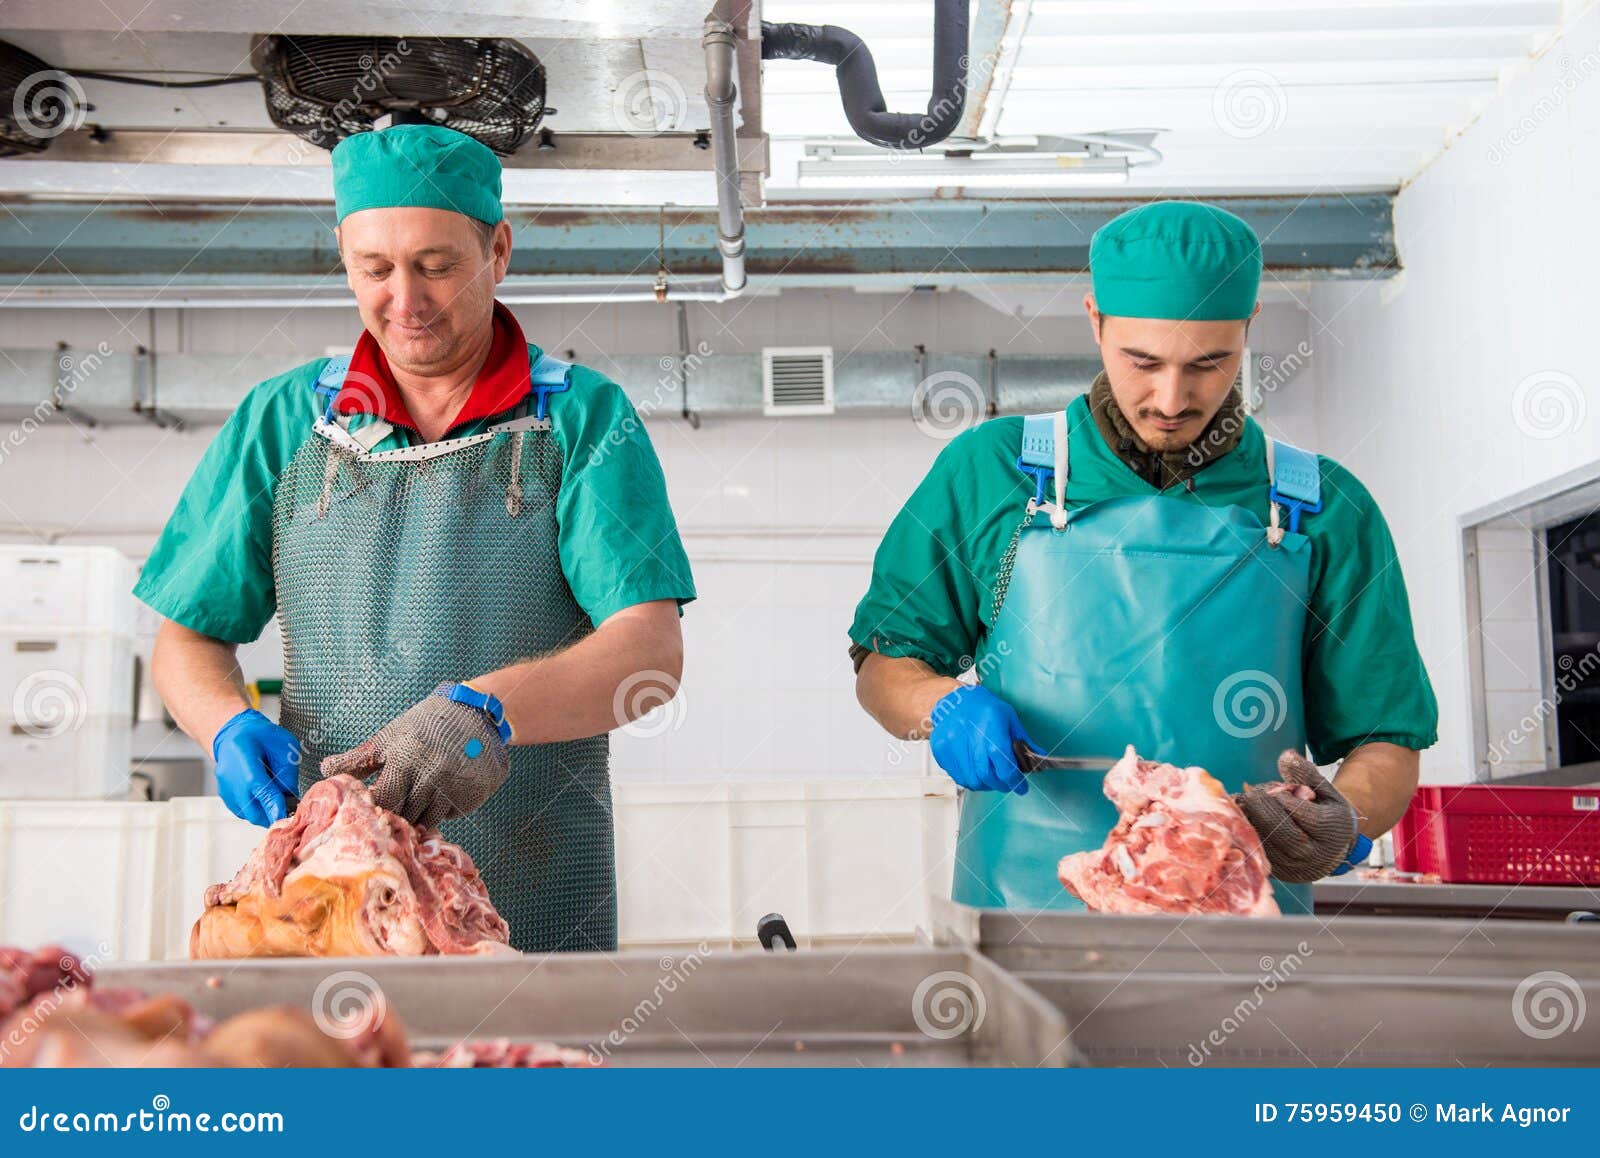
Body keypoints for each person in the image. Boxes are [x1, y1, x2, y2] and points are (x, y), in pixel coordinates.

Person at [136, 124, 696, 952]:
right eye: (375, 269)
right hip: (334, 901)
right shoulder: (286, 422)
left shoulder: (579, 421)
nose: (406, 299)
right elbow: (187, 635)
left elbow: (649, 658)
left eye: (436, 265)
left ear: (498, 250)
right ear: (343, 257)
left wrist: (486, 713)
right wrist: (223, 723)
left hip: (536, 890)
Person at [849, 201, 1437, 914]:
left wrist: (1346, 813)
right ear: (1096, 323)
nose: (1171, 398)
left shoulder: (1319, 506)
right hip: (1025, 910)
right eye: (1143, 361)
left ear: (1248, 330)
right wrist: (945, 706)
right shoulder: (992, 474)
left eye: (1208, 363)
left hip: (1240, 909)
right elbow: (886, 665)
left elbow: (1386, 737)